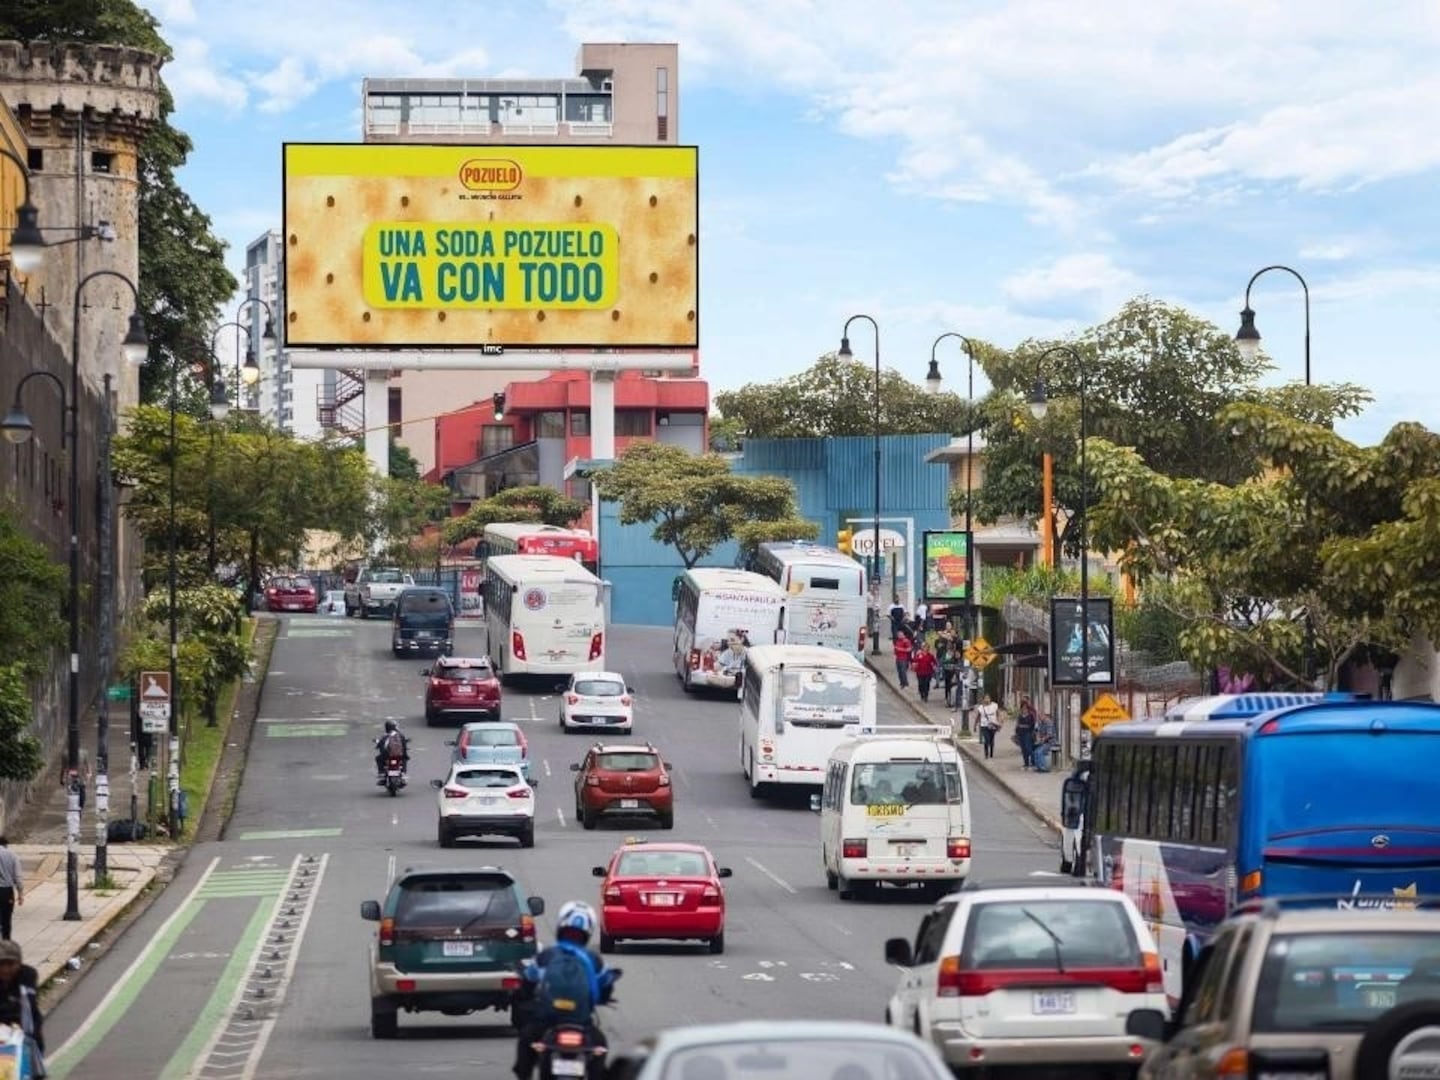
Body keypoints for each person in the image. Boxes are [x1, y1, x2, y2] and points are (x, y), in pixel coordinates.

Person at [513, 900, 620, 1079]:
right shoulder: (593, 959)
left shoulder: (547, 955)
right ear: (588, 931)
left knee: (526, 1041)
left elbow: (528, 980)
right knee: (600, 1046)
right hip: (581, 1022)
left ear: (561, 925)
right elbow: (606, 985)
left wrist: (523, 994)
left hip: (547, 1021)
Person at [0, 940, 44, 1072]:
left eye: (11, 964)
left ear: (19, 963)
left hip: (25, 1029)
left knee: (32, 1069)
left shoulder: (28, 975)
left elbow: (27, 1004)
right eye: (2, 964)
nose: (6, 969)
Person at [0, 837, 21, 941]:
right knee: (6, 919)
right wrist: (20, 894)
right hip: (6, 891)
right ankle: (6, 942)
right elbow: (17, 876)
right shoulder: (12, 855)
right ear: (6, 845)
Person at [1015, 695, 1039, 769]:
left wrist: (1026, 727)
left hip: (1028, 734)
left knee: (1029, 748)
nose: (1024, 709)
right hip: (1020, 734)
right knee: (1023, 749)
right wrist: (1017, 732)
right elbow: (1017, 725)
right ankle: (1026, 763)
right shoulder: (1020, 716)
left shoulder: (1031, 715)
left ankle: (1033, 762)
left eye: (1025, 708)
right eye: (1023, 708)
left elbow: (1032, 725)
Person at [977, 694, 1001, 759]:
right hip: (984, 725)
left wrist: (998, 722)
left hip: (993, 725)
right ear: (983, 699)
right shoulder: (981, 707)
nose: (987, 700)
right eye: (985, 698)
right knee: (986, 739)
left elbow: (998, 714)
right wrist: (975, 725)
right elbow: (978, 716)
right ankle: (986, 753)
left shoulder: (994, 705)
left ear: (990, 699)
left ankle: (991, 752)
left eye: (988, 698)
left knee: (991, 739)